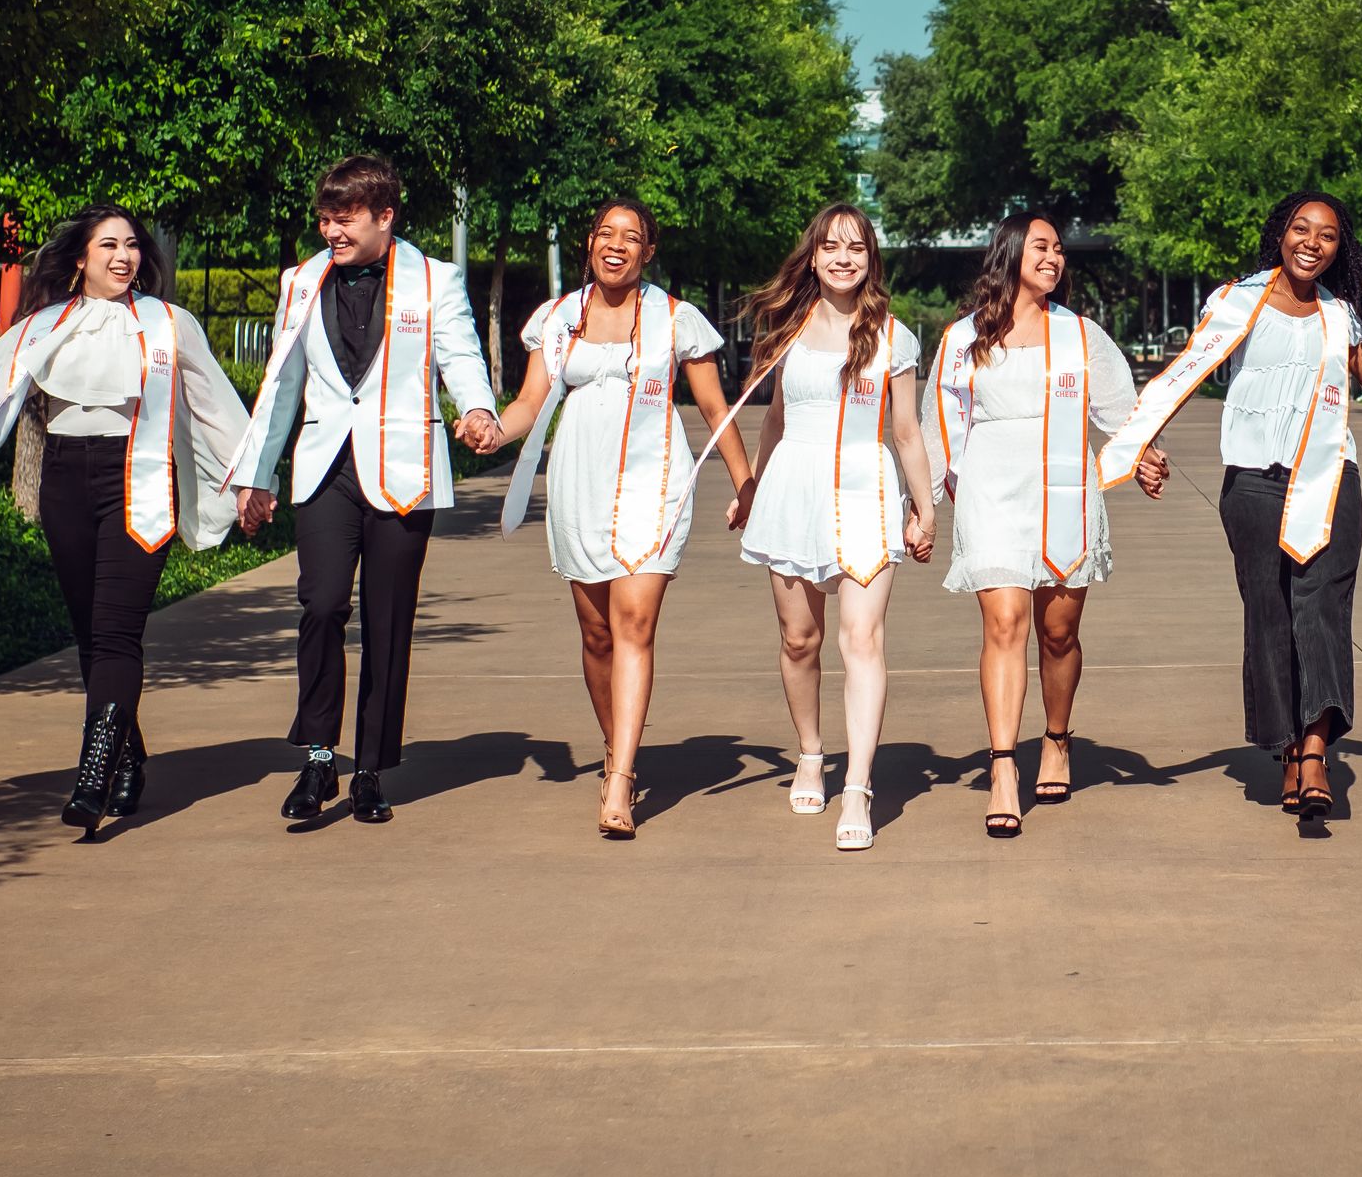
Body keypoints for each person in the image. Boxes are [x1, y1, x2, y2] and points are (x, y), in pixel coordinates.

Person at [0, 203, 250, 834]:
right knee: (91, 635)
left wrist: (249, 482)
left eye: (131, 245)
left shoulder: (169, 324)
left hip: (138, 481)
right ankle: (128, 758)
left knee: (118, 632)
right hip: (66, 482)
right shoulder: (46, 326)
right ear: (81, 258)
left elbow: (217, 410)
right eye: (108, 246)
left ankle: (93, 773)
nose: (123, 256)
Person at [1103, 191, 1362, 817]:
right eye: (1301, 228)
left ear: (1338, 248)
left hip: (1329, 478)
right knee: (1270, 613)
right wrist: (1142, 444)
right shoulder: (1237, 300)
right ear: (1281, 232)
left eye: (1326, 235)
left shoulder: (1341, 317)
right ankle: (1288, 746)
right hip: (1255, 484)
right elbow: (1184, 373)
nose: (1312, 243)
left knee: (1322, 608)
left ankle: (1316, 753)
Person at [227, 156, 499, 827]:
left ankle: (370, 770)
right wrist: (256, 476)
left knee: (387, 620)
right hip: (325, 467)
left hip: (402, 467)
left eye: (344, 219)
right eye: (325, 219)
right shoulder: (301, 281)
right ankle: (320, 757)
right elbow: (280, 384)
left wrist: (478, 409)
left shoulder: (435, 280)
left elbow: (460, 356)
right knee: (320, 606)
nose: (331, 232)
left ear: (385, 216)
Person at [481, 198, 753, 838]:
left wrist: (747, 482)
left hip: (653, 481)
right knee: (597, 632)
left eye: (632, 237)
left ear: (648, 252)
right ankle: (616, 747)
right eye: (607, 232)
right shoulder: (556, 319)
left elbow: (715, 408)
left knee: (635, 621)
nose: (617, 244)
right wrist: (495, 432)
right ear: (590, 243)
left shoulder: (676, 319)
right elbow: (527, 403)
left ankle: (621, 780)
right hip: (579, 481)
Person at [919, 213, 1142, 838]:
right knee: (1005, 624)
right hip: (991, 491)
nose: (1055, 258)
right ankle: (1003, 769)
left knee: (1058, 633)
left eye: (1059, 250)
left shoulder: (1081, 334)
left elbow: (1122, 415)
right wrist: (925, 505)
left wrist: (1144, 457)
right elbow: (940, 424)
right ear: (1012, 252)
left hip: (1065, 494)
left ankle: (1057, 739)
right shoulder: (964, 338)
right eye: (1042, 247)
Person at [728, 204, 936, 851]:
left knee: (861, 639)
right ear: (813, 257)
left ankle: (859, 788)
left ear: (871, 259)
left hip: (867, 493)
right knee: (799, 639)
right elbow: (774, 419)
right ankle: (812, 753)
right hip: (793, 489)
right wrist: (752, 484)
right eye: (831, 247)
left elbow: (906, 430)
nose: (843, 258)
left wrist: (924, 507)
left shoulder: (893, 336)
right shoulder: (785, 328)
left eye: (856, 248)